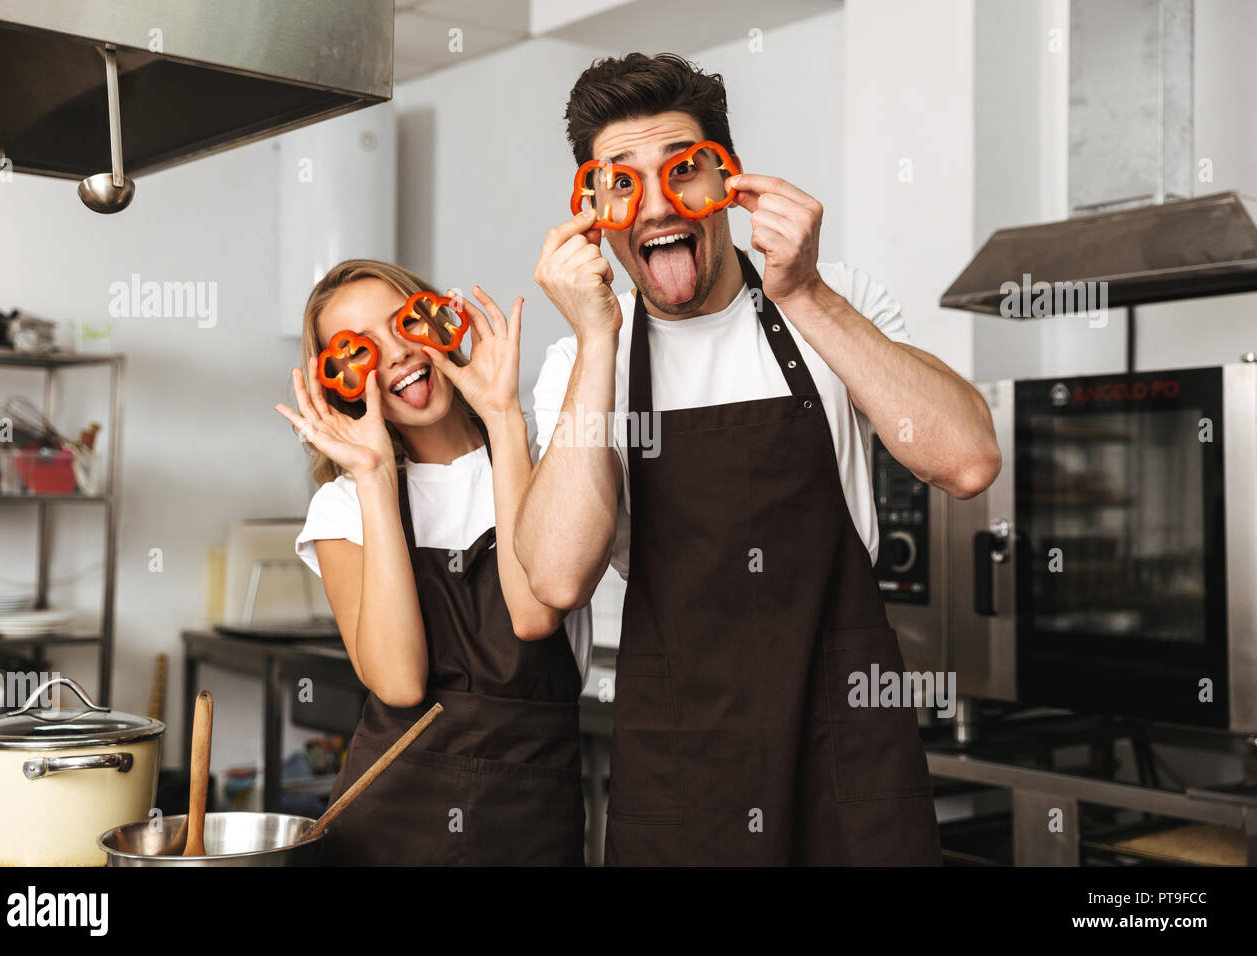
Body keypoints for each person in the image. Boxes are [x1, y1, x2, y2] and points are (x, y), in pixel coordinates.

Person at [516, 53, 1001, 865]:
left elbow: (967, 461)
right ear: (595, 210)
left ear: (727, 184)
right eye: (621, 184)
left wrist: (805, 293)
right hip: (679, 763)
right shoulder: (580, 366)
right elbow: (558, 577)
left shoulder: (828, 296)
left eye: (682, 172)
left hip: (845, 740)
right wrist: (599, 335)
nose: (657, 205)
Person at [276, 259, 590, 865]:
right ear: (338, 382)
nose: (394, 352)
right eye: (358, 350)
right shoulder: (344, 506)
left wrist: (503, 418)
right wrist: (372, 477)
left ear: (445, 319)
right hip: (391, 827)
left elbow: (534, 617)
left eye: (405, 322)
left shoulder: (547, 456)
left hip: (533, 818)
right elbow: (398, 682)